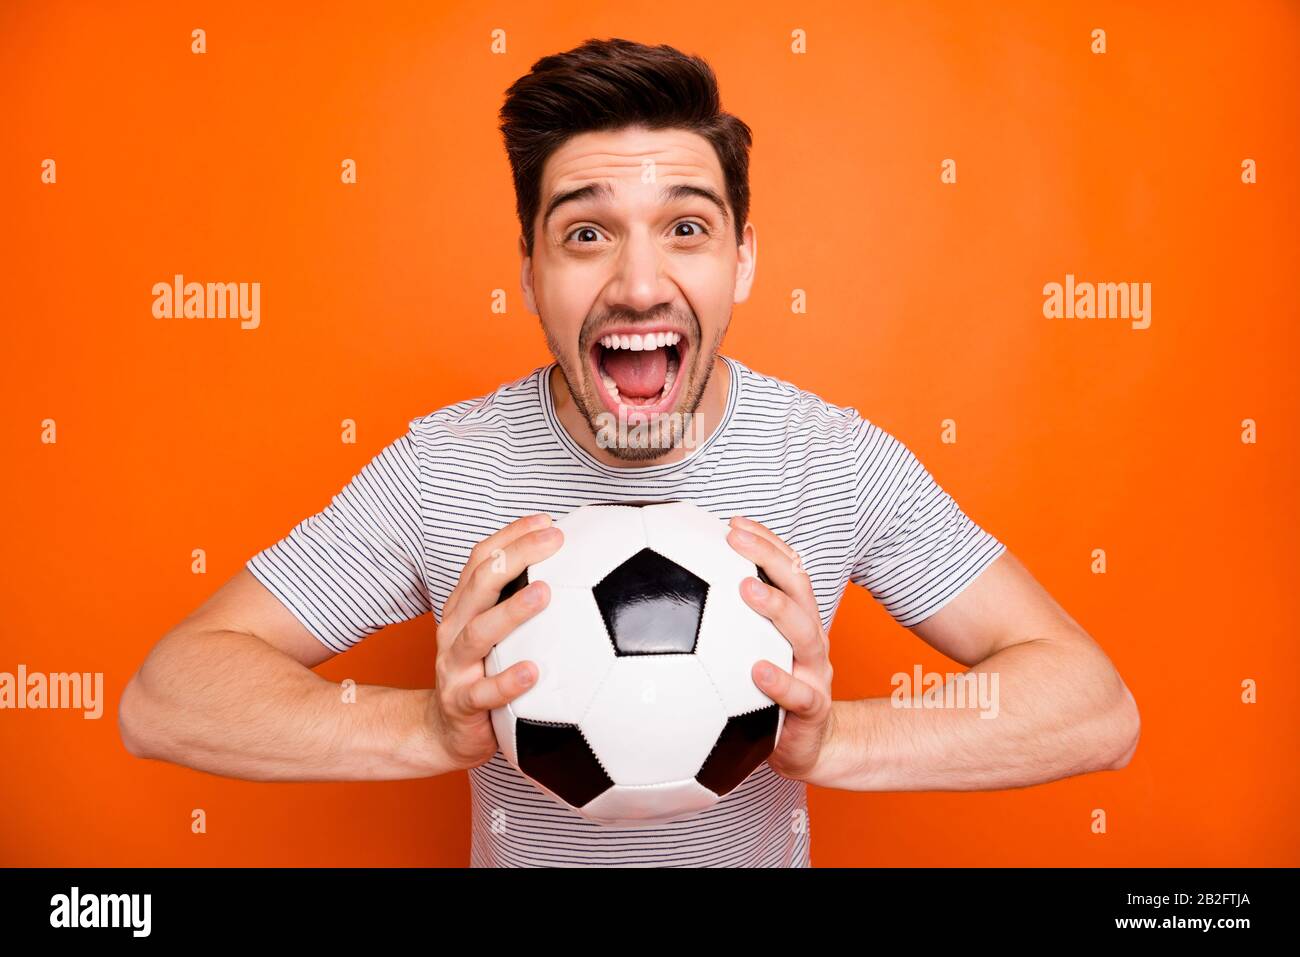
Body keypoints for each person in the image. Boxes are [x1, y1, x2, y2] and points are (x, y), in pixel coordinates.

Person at [118, 37, 1139, 867]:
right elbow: (168, 696)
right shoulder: (444, 468)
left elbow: (1093, 709)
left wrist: (840, 740)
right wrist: (427, 730)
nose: (642, 284)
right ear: (528, 271)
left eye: (686, 228)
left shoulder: (833, 460)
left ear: (742, 259)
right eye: (587, 234)